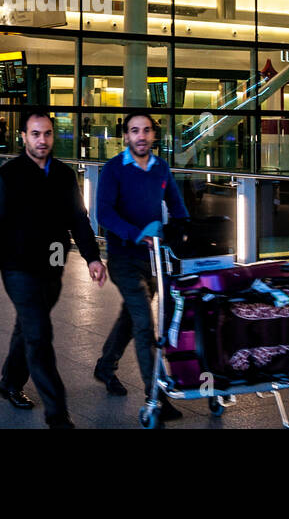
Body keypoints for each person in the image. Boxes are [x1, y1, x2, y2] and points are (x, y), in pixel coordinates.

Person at [0, 109, 106, 429]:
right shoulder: (6, 176)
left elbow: (78, 218)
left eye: (47, 133)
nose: (42, 140)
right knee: (39, 335)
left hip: (52, 262)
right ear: (23, 137)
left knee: (29, 326)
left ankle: (9, 382)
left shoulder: (64, 174)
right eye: (35, 134)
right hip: (17, 266)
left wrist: (92, 257)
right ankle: (57, 414)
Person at [93, 111, 189, 419]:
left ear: (153, 135)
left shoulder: (161, 168)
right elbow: (104, 215)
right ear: (126, 136)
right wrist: (137, 234)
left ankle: (106, 366)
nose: (141, 136)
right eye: (135, 131)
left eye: (146, 130)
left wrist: (185, 231)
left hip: (154, 259)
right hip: (123, 258)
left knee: (131, 317)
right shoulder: (113, 169)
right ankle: (155, 397)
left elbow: (177, 205)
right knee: (144, 323)